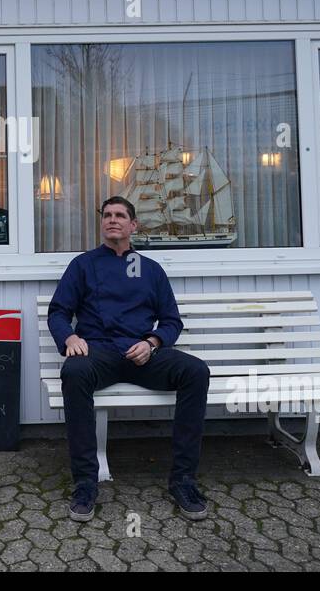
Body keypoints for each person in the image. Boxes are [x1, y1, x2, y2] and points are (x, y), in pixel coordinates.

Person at [47, 196, 211, 521]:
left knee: (196, 372)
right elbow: (58, 312)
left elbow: (171, 321)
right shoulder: (83, 265)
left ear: (133, 225)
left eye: (120, 215)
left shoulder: (150, 270)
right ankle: (85, 483)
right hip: (99, 353)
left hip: (141, 355)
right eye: (107, 214)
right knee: (74, 373)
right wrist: (70, 337)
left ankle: (182, 480)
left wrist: (152, 342)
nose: (112, 220)